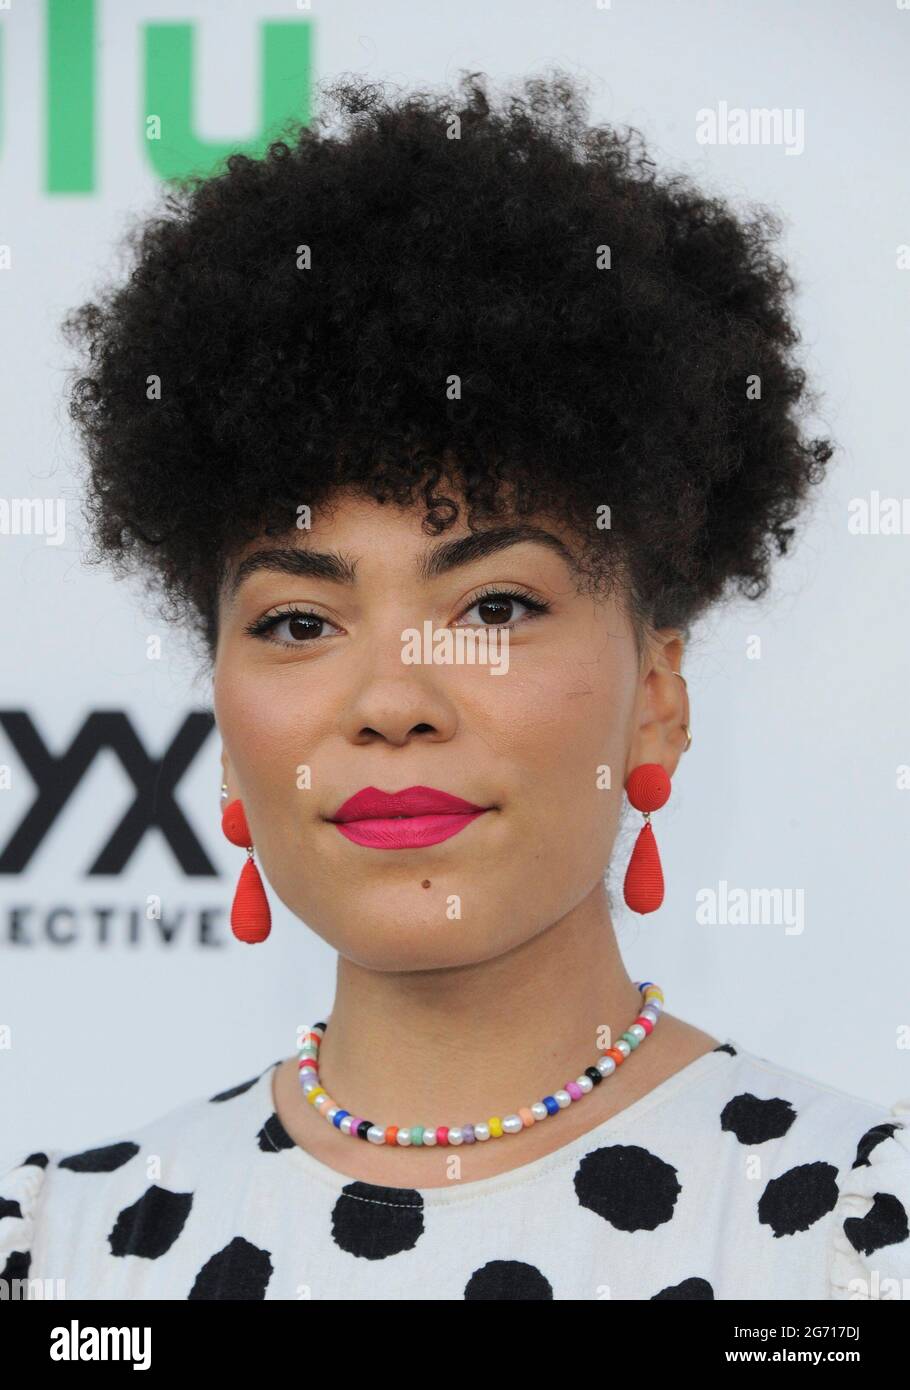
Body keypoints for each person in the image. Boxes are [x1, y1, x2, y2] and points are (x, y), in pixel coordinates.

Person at [2, 71, 908, 1302]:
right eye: (299, 618)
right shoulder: (56, 1253)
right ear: (222, 725)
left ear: (657, 693)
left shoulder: (854, 1239)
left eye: (493, 606)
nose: (391, 700)